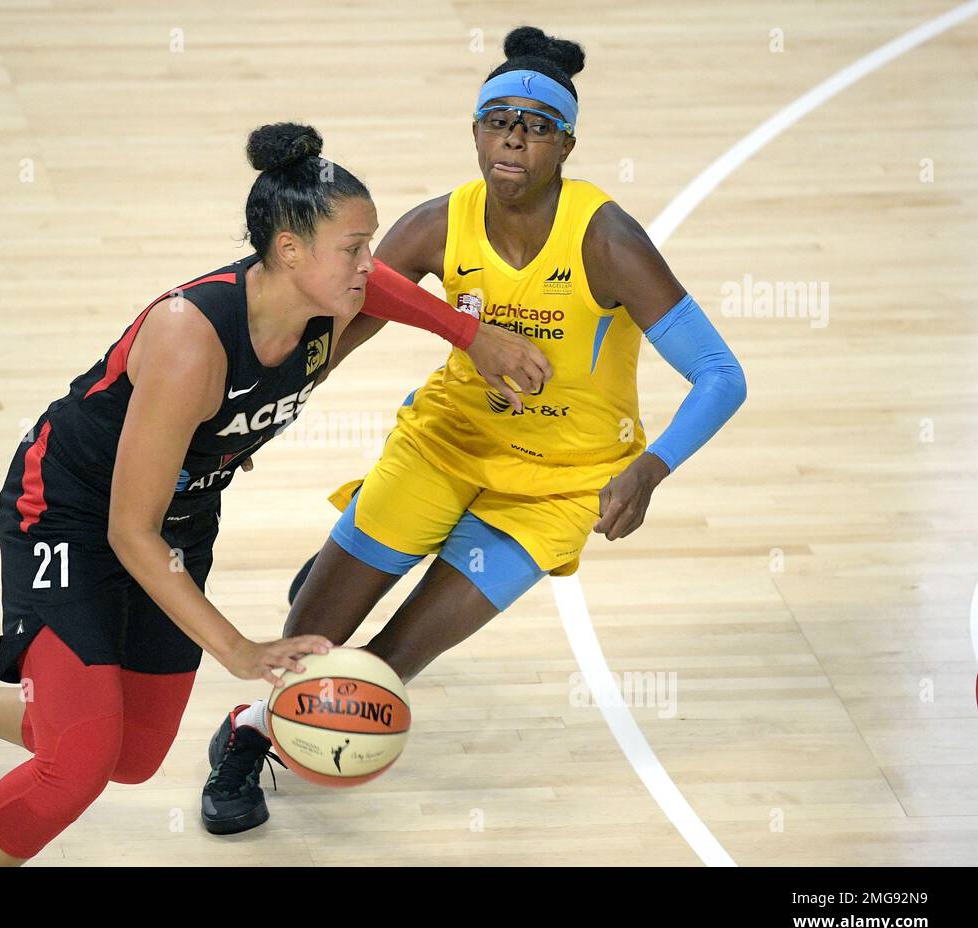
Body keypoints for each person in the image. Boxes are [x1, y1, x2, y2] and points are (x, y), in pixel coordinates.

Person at [0, 121, 549, 865]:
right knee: (76, 766)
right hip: (71, 514)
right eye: (354, 246)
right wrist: (240, 649)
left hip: (179, 515)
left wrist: (471, 337)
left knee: (132, 755)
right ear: (288, 251)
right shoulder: (193, 338)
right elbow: (130, 533)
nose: (371, 265)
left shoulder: (326, 298)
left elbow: (378, 286)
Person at [200, 26, 748, 835]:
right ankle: (253, 724)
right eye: (497, 119)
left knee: (385, 668)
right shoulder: (436, 224)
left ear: (567, 142)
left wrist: (651, 468)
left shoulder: (607, 239)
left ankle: (268, 729)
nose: (514, 137)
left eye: (535, 124)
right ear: (476, 133)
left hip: (560, 484)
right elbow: (341, 328)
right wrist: (252, 423)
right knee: (310, 636)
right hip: (444, 445)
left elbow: (721, 375)